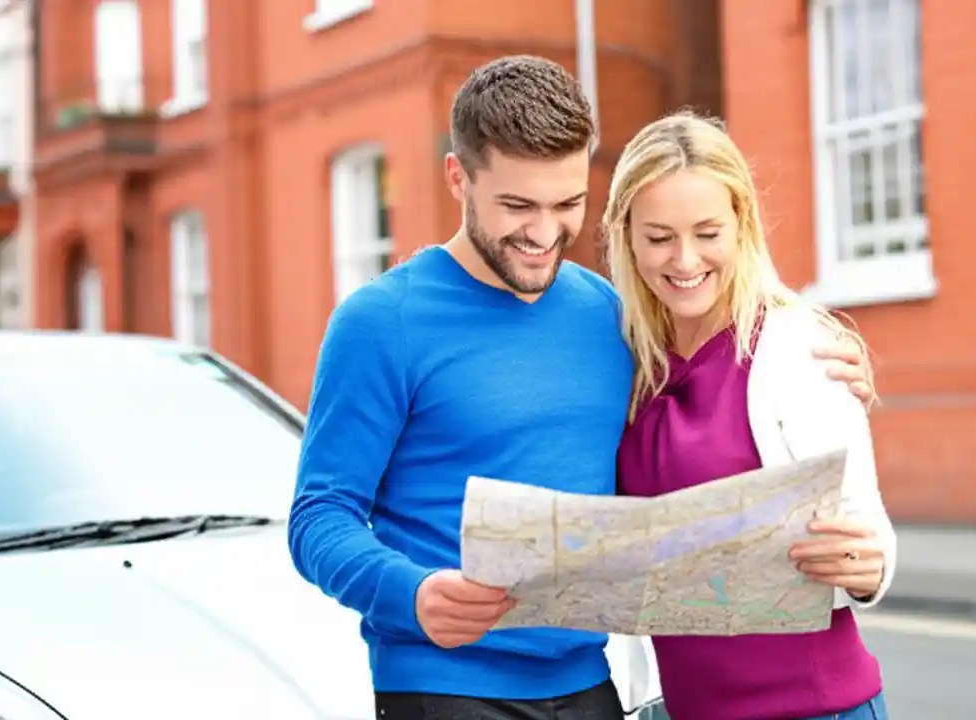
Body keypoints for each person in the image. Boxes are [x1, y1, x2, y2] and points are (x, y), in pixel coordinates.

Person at [288, 55, 873, 719]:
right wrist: (410, 593)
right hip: (444, 684)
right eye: (517, 206)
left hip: (588, 682)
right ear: (459, 177)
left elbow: (707, 380)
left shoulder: (608, 314)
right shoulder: (379, 322)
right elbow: (319, 516)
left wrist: (820, 370)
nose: (543, 233)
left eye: (567, 204)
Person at [604, 109, 895, 720]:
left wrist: (868, 569)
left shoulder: (799, 348)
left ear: (742, 223)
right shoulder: (623, 361)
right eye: (659, 238)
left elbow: (864, 528)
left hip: (813, 709)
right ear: (625, 236)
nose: (686, 260)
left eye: (707, 232)